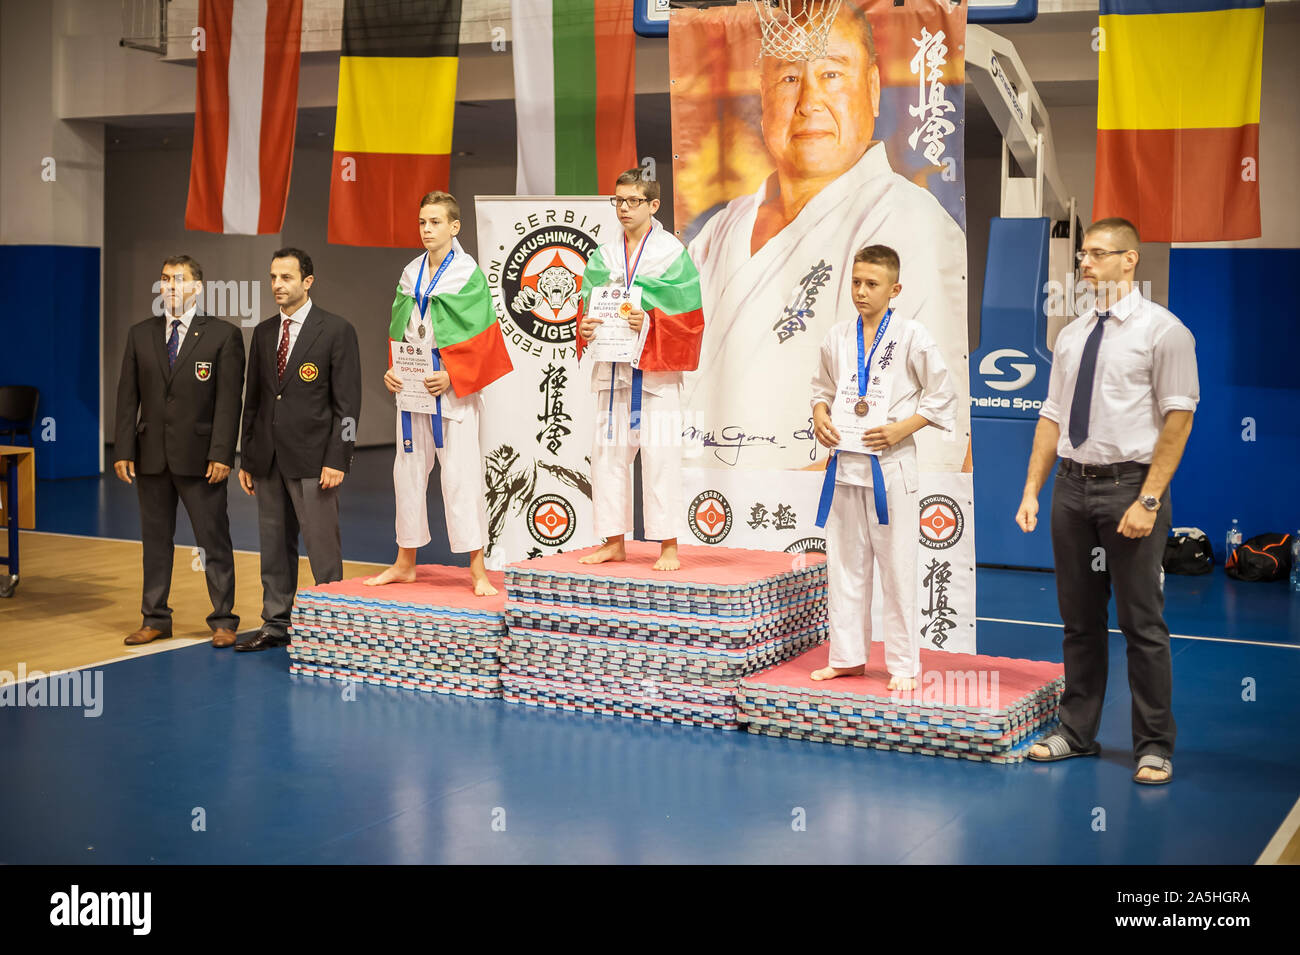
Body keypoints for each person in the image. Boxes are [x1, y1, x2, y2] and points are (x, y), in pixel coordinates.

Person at [681, 0, 967, 473]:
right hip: (710, 507)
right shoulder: (721, 229)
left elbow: (933, 428)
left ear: (872, 88)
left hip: (820, 515)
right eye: (789, 78)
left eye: (832, 74)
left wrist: (785, 503)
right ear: (763, 97)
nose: (808, 101)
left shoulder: (912, 221)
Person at [1015, 217, 1198, 785]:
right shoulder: (1071, 335)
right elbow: (1050, 417)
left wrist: (1148, 499)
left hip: (1129, 488)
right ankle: (1075, 731)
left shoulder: (1165, 332)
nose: (1085, 264)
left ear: (1130, 260)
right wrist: (1032, 488)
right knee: (1078, 621)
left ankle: (1154, 746)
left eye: (1097, 254)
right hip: (1072, 487)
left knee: (1142, 623)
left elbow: (1179, 418)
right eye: (1083, 256)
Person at [807, 245, 955, 691]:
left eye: (871, 284)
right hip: (845, 466)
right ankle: (848, 657)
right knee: (845, 566)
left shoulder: (913, 335)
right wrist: (819, 416)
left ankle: (905, 665)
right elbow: (821, 388)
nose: (861, 291)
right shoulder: (837, 336)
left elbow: (941, 395)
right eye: (856, 282)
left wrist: (901, 429)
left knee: (897, 568)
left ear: (895, 289)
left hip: (890, 468)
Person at [366, 191, 513, 595]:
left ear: (454, 227)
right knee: (407, 474)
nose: (427, 230)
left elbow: (485, 339)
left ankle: (478, 569)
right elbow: (400, 329)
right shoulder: (410, 272)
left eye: (435, 222)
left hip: (452, 393)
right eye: (422, 222)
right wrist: (394, 369)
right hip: (413, 387)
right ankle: (404, 561)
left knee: (461, 479)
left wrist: (452, 374)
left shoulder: (467, 273)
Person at [576, 170, 705, 571]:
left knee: (659, 456)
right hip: (613, 370)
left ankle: (668, 545)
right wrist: (583, 326)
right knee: (607, 456)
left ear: (654, 205)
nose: (624, 209)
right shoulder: (603, 254)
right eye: (618, 201)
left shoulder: (670, 253)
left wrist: (648, 321)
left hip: (655, 378)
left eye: (633, 201)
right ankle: (613, 541)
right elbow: (587, 305)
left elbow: (690, 319)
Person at [113, 255, 245, 648]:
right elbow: (127, 398)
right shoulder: (140, 334)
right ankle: (154, 617)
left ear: (198, 287)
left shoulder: (223, 335)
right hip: (151, 455)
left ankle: (223, 619)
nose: (170, 285)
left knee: (213, 540)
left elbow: (228, 401)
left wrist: (222, 453)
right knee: (155, 542)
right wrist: (123, 449)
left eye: (179, 279)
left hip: (202, 459)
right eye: (165, 279)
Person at [236, 248, 362, 652]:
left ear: (308, 281)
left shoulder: (335, 330)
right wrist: (248, 455)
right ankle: (277, 623)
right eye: (273, 277)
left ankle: (333, 624)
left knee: (322, 546)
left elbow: (347, 405)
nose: (277, 285)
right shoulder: (264, 331)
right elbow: (253, 400)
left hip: (315, 460)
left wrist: (337, 458)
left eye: (286, 278)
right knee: (273, 547)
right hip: (268, 459)